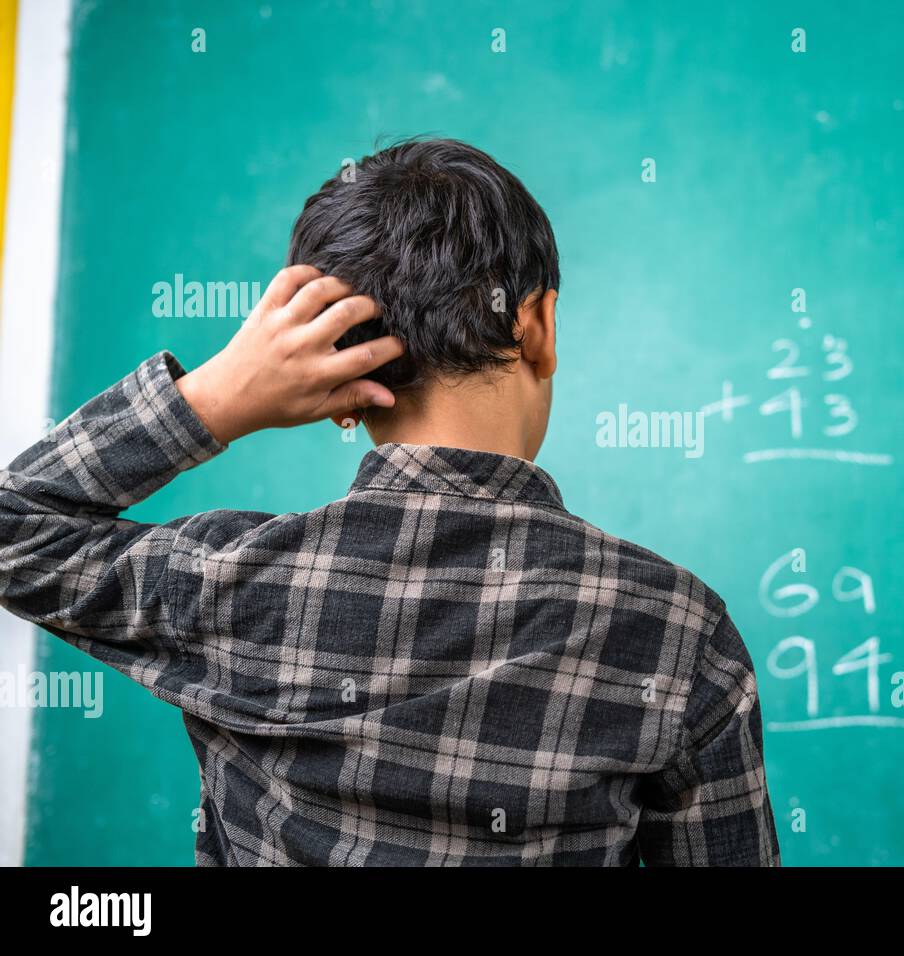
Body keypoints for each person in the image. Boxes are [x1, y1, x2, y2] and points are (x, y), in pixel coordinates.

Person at [0, 138, 779, 866]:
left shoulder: (229, 583)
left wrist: (218, 396)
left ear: (333, 386)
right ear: (538, 324)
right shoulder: (673, 630)